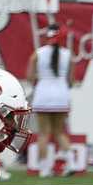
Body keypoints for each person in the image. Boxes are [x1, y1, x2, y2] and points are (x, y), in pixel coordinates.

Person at [26, 24, 73, 176]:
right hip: (61, 94)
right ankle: (71, 163)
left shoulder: (37, 54)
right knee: (59, 132)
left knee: (43, 134)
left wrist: (40, 80)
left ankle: (44, 169)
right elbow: (70, 80)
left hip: (43, 94)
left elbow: (30, 77)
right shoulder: (68, 54)